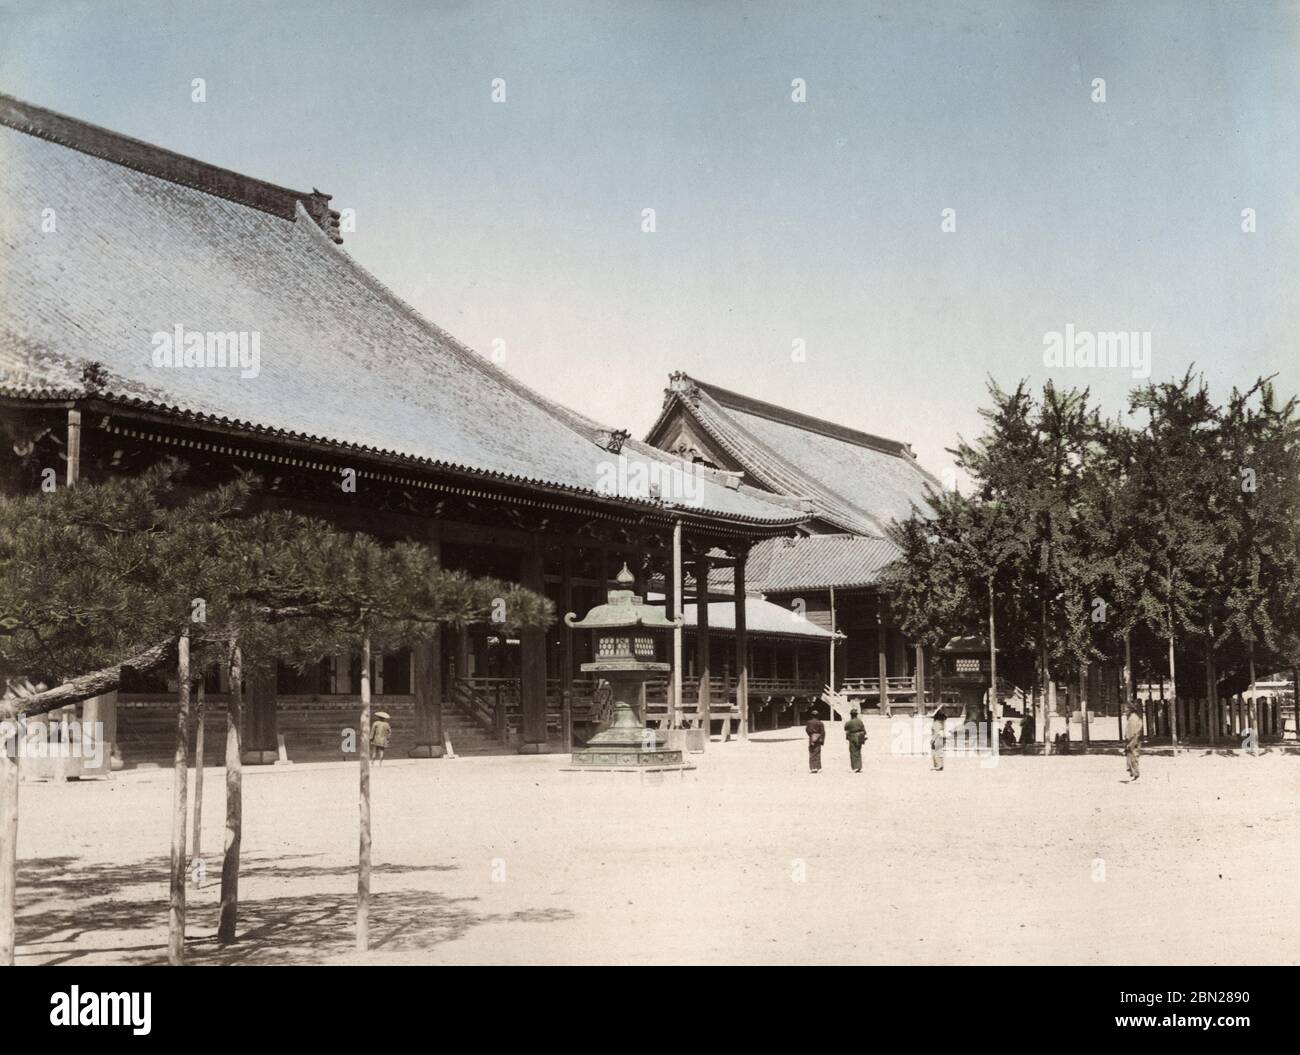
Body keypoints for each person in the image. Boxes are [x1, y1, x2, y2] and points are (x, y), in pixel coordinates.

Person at [844, 708, 867, 773]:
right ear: (856, 715)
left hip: (852, 737)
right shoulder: (860, 721)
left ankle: (854, 767)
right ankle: (859, 766)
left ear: (851, 715)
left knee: (853, 752)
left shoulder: (849, 722)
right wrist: (865, 735)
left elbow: (845, 728)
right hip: (859, 737)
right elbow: (863, 729)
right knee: (858, 751)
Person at [1124, 705, 1143, 781]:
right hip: (1134, 739)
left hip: (1133, 739)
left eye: (1126, 710)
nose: (1125, 712)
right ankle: (1133, 773)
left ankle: (1136, 774)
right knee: (1131, 756)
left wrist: (1129, 742)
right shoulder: (1133, 717)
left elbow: (1132, 732)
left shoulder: (1133, 719)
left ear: (1130, 710)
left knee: (1133, 756)